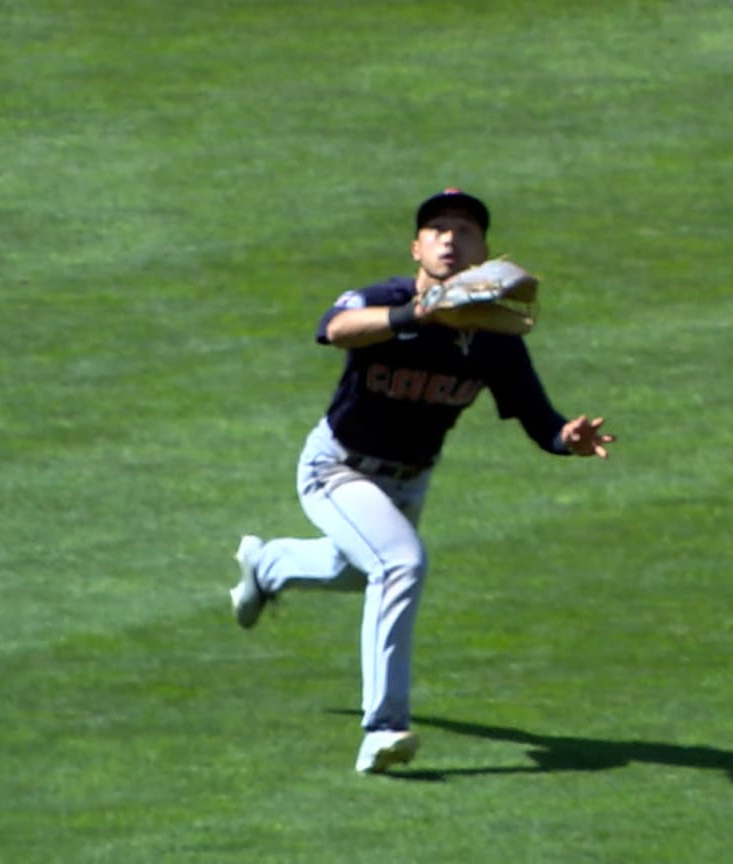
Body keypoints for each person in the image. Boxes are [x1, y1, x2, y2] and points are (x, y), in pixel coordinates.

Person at [228, 188, 614, 774]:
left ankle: (267, 566)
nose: (452, 238)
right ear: (417, 247)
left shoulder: (495, 339)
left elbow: (539, 420)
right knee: (400, 564)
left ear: (486, 252)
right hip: (338, 468)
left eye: (466, 230)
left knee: (357, 571)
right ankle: (382, 729)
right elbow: (333, 328)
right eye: (438, 229)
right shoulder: (388, 299)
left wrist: (568, 438)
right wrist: (416, 315)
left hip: (409, 483)